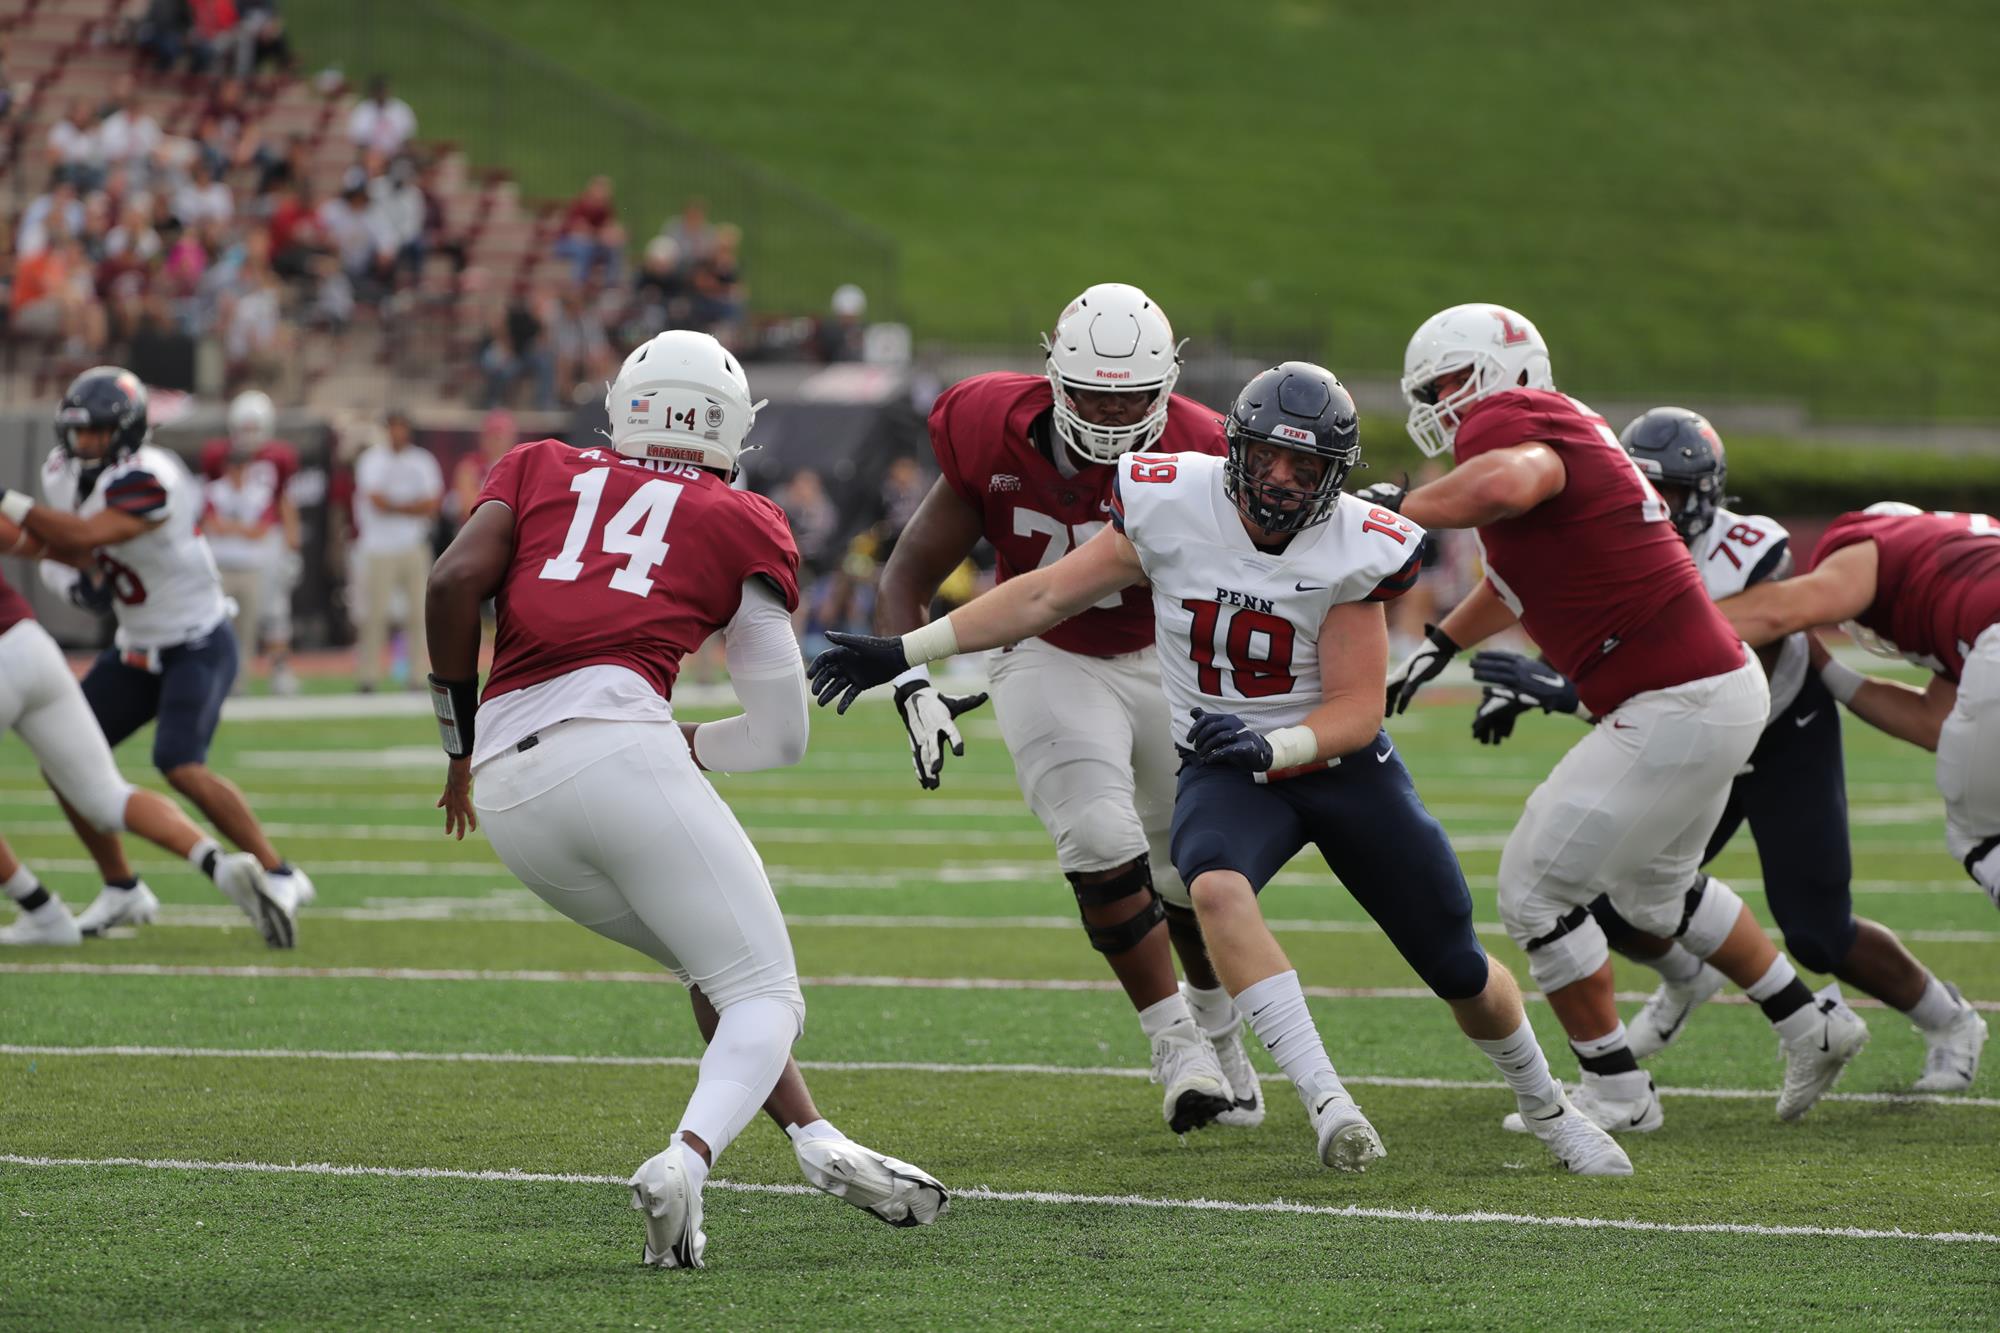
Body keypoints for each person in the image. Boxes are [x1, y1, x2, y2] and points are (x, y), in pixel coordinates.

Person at [813, 362, 1630, 1176]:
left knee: (1455, 961)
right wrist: (903, 651)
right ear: (1235, 448)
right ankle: (1327, 1100)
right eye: (1269, 457)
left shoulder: (1356, 541)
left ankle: (1547, 1106)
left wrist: (1275, 748)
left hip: (1336, 763)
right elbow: (1043, 595)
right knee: (1208, 887)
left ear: (1333, 476)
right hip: (1223, 762)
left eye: (1304, 466)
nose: (1280, 479)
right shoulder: (1170, 496)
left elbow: (1356, 709)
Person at [425, 329, 947, 1269]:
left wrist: (455, 747)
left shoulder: (539, 463)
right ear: (730, 427)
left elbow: (454, 579)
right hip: (620, 746)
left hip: (506, 789)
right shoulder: (741, 516)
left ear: (627, 403)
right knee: (768, 993)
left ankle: (816, 1139)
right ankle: (686, 1159)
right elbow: (782, 735)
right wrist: (685, 745)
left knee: (715, 971)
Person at [1366, 303, 1865, 1131]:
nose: (1442, 402)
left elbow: (1506, 481)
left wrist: (1394, 506)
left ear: (1502, 372)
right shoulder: (1563, 428)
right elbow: (1514, 581)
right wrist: (1440, 643)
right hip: (1710, 688)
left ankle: (1618, 1092)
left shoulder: (1516, 422)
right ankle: (1811, 1021)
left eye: (1452, 381)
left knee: (1532, 894)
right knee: (1653, 894)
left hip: (1676, 699)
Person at [1471, 409, 1987, 1094]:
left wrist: (1570, 685)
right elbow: (1600, 642)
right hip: (1691, 742)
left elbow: (1701, 655)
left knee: (1817, 932)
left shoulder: (1748, 549)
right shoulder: (1611, 542)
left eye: (1675, 494)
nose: (1662, 507)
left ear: (1707, 493)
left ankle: (1949, 1018)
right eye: (1649, 490)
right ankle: (1690, 977)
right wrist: (1540, 676)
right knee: (1601, 900)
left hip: (1777, 732)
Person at [875, 283, 1252, 1136]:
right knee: (1096, 836)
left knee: (1186, 869)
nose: (1114, 415)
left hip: (1167, 657)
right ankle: (1175, 1047)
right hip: (1044, 651)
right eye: (1092, 395)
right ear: (1053, 377)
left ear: (1167, 386)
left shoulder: (1206, 448)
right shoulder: (989, 425)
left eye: (1131, 396)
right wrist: (910, 682)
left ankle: (1220, 1030)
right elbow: (906, 572)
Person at [0, 367, 308, 943]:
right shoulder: (62, 473)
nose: (83, 443)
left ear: (128, 430)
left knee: (180, 763)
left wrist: (10, 504)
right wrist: (76, 581)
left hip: (195, 638)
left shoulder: (155, 475)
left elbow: (79, 538)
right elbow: (60, 551)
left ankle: (278, 870)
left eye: (95, 432)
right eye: (77, 432)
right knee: (65, 763)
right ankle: (121, 887)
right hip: (135, 643)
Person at [1716, 502, 2000, 915]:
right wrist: (1829, 668)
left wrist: (1651, 629)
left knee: (1981, 838)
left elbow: (1777, 612)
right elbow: (1934, 724)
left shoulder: (1873, 542)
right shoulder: (1967, 560)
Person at [0, 557, 277, 947]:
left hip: (187, 636)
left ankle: (41, 910)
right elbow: (28, 537)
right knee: (104, 794)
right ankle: (216, 865)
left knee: (159, 771)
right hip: (32, 645)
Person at [200, 390, 303, 693]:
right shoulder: (218, 456)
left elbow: (284, 500)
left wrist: (292, 544)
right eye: (245, 428)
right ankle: (225, 673)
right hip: (229, 547)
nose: (250, 436)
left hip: (267, 539)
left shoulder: (279, 456)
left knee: (276, 608)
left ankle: (279, 669)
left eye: (255, 428)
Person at [352, 410, 442, 691]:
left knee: (418, 615)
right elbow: (376, 500)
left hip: (413, 544)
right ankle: (368, 677)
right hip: (379, 546)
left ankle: (416, 676)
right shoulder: (372, 460)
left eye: (402, 427)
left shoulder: (422, 460)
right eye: (393, 427)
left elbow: (433, 503)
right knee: (374, 616)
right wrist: (410, 507)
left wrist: (398, 507)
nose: (397, 433)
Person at [346, 76, 416, 157]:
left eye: (383, 90)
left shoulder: (400, 109)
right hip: (370, 157)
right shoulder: (362, 111)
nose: (381, 94)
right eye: (378, 91)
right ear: (372, 92)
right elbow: (359, 141)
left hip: (397, 155)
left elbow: (408, 138)